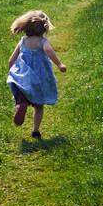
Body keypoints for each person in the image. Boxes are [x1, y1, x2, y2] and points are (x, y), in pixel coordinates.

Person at [6, 9, 66, 139]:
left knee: (22, 95)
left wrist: (12, 71)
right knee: (39, 105)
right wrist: (59, 64)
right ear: (44, 28)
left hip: (24, 76)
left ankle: (20, 105)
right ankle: (36, 130)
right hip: (40, 77)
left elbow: (12, 59)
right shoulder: (43, 42)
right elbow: (49, 51)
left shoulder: (23, 41)